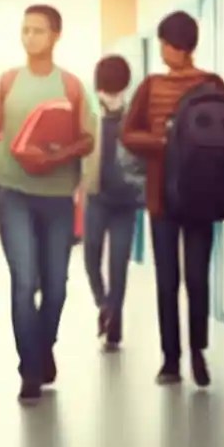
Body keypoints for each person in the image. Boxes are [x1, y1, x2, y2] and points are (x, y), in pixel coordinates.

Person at [0, 4, 95, 403]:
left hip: (58, 196)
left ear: (56, 35)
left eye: (38, 31)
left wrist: (58, 155)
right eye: (25, 30)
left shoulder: (72, 86)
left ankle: (44, 347)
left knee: (56, 287)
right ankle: (30, 369)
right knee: (25, 280)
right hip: (13, 192)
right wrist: (16, 156)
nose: (30, 37)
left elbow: (88, 138)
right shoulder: (7, 82)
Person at [122, 10, 224, 387]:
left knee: (194, 279)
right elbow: (128, 133)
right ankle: (172, 358)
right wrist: (163, 142)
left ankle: (195, 353)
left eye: (166, 44)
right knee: (170, 280)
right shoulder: (151, 87)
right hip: (163, 196)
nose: (163, 50)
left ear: (176, 46)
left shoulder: (210, 84)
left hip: (200, 194)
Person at [82, 55, 145, 352]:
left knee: (118, 265)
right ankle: (103, 304)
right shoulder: (90, 116)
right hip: (96, 197)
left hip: (126, 203)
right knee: (91, 257)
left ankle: (114, 325)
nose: (110, 94)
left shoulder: (133, 116)